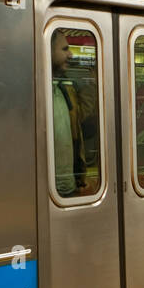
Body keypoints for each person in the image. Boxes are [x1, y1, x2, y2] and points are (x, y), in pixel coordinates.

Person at [50, 29, 99, 196]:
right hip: (46, 189)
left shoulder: (64, 90)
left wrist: (93, 83)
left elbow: (79, 117)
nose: (70, 54)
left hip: (68, 187)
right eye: (64, 49)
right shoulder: (35, 96)